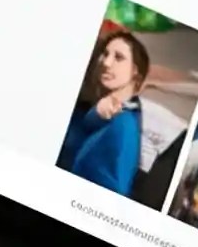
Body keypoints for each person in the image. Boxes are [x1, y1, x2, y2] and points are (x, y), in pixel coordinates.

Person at [57, 30, 151, 196]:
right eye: (105, 54)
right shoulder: (99, 110)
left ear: (135, 70)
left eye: (119, 57)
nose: (106, 63)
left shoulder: (122, 126)